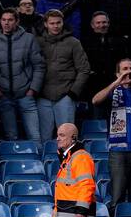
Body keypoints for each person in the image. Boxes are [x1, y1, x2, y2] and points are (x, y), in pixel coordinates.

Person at [92, 58, 131, 211]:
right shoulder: (113, 91)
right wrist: (117, 82)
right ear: (117, 73)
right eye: (124, 69)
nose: (129, 71)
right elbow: (95, 100)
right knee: (117, 196)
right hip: (119, 151)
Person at [0, 9, 45, 141]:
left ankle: (37, 160)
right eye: (4, 20)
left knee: (35, 136)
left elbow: (39, 65)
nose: (6, 23)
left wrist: (33, 89)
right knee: (11, 137)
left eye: (10, 20)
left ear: (17, 21)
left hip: (26, 93)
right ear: (0, 21)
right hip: (4, 95)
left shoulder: (29, 39)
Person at [35, 9, 90, 138]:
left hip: (65, 96)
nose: (55, 26)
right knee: (44, 137)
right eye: (52, 23)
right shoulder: (37, 42)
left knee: (67, 136)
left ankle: (68, 159)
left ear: (63, 23)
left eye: (58, 23)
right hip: (42, 96)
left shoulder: (73, 42)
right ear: (45, 24)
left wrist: (73, 93)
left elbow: (84, 69)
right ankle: (45, 158)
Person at [50, 123, 97, 217]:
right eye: (57, 135)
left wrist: (81, 210)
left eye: (62, 135)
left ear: (73, 138)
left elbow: (86, 185)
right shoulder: (68, 157)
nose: (58, 138)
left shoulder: (80, 157)